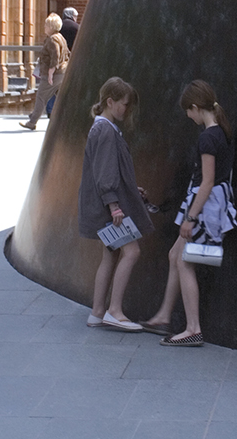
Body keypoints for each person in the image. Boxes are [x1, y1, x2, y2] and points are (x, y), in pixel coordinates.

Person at [142, 79, 237, 347]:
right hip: (212, 202)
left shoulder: (207, 137)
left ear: (196, 107)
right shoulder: (224, 132)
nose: (187, 116)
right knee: (176, 254)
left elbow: (206, 181)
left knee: (184, 261)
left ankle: (193, 328)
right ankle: (163, 316)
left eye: (188, 110)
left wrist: (190, 218)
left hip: (203, 206)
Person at [78, 76, 153, 330]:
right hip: (110, 210)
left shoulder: (100, 128)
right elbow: (105, 173)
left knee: (109, 255)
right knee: (131, 252)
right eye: (123, 103)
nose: (126, 109)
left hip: (104, 207)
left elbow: (105, 171)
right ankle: (114, 311)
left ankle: (97, 312)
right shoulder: (107, 131)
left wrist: (130, 189)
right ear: (110, 102)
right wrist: (114, 205)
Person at [20, 13, 69, 130]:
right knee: (61, 98)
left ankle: (32, 122)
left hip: (53, 74)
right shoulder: (60, 37)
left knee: (41, 96)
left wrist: (51, 73)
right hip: (62, 73)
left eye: (46, 25)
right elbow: (67, 54)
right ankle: (66, 122)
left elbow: (55, 56)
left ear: (52, 27)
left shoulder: (52, 39)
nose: (44, 27)